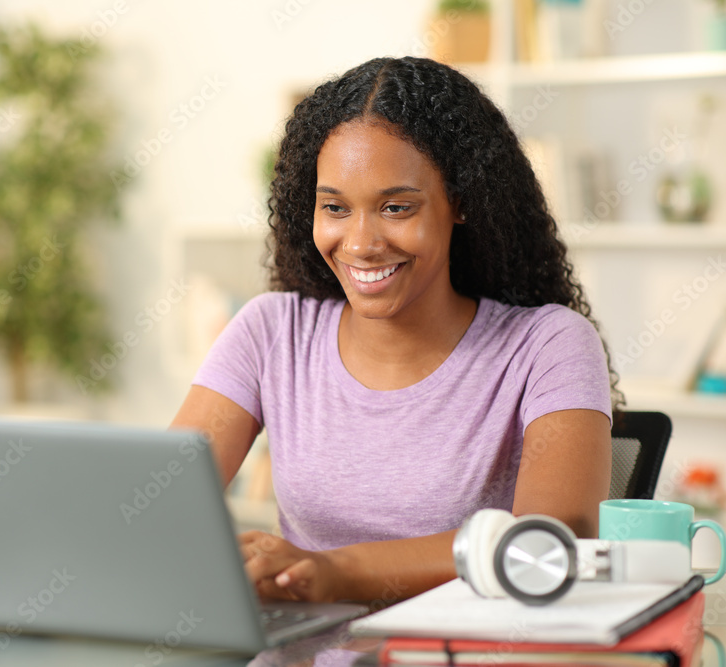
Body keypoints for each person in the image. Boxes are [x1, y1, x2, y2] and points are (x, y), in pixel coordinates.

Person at [170, 56, 618, 607]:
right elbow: (158, 506)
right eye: (334, 207)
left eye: (396, 207)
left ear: (461, 202)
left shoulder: (546, 345)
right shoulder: (272, 331)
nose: (360, 243)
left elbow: (547, 545)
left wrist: (334, 571)